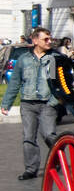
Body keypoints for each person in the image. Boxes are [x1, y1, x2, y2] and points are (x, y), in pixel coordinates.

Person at [2, 28, 60, 180]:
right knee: (28, 137)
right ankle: (31, 169)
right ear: (35, 41)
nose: (49, 41)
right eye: (45, 39)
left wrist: (54, 101)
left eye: (50, 39)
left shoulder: (54, 58)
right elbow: (15, 82)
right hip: (28, 104)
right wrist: (6, 104)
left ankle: (58, 157)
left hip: (48, 103)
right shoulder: (23, 60)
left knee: (49, 134)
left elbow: (58, 83)